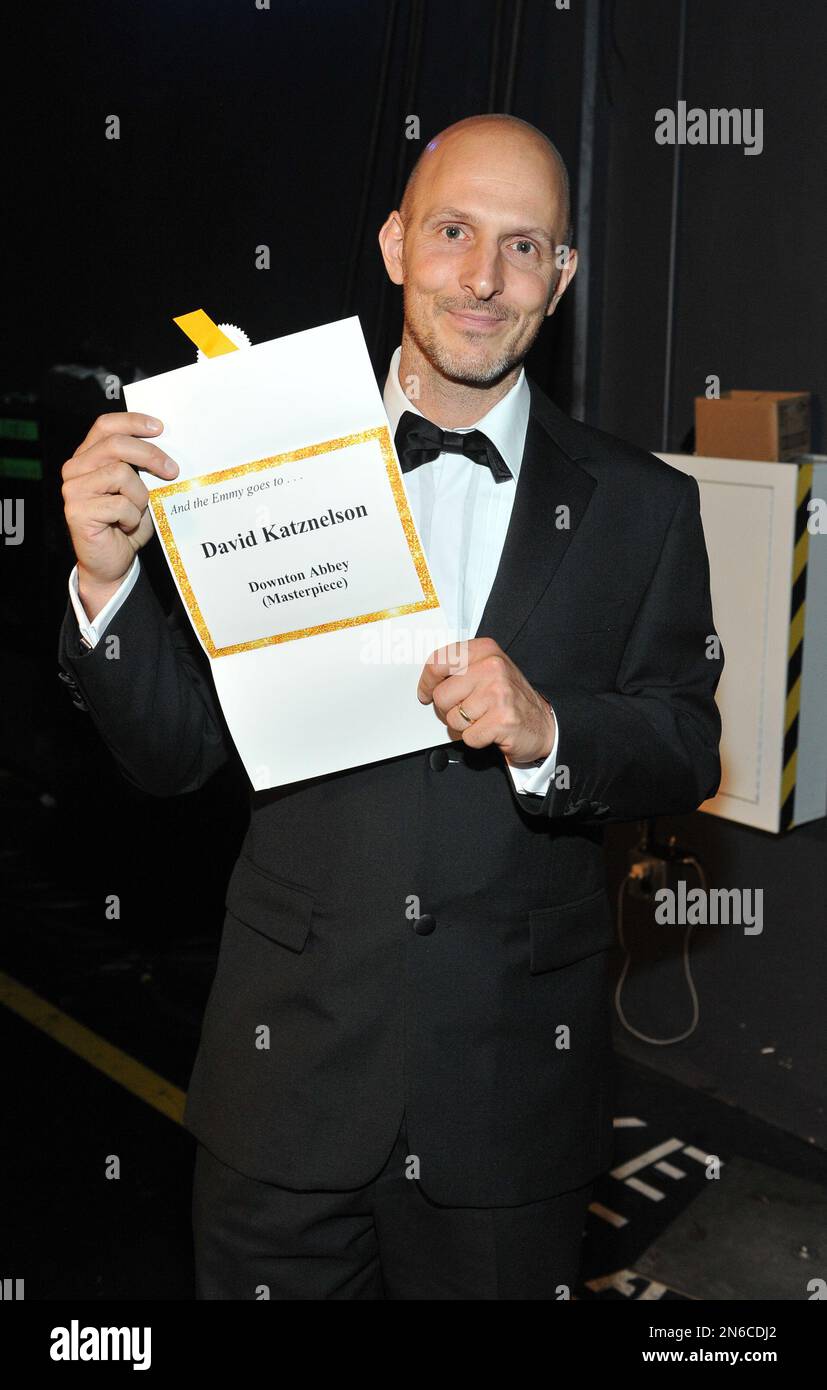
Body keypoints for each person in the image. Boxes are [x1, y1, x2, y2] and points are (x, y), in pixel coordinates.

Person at [57, 114, 723, 1299]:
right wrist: (109, 583)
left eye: (526, 248)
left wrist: (549, 730)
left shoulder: (643, 507)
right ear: (392, 242)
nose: (482, 278)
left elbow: (682, 742)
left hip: (508, 1120)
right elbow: (171, 761)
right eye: (454, 232)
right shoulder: (262, 456)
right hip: (284, 1100)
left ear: (560, 278)